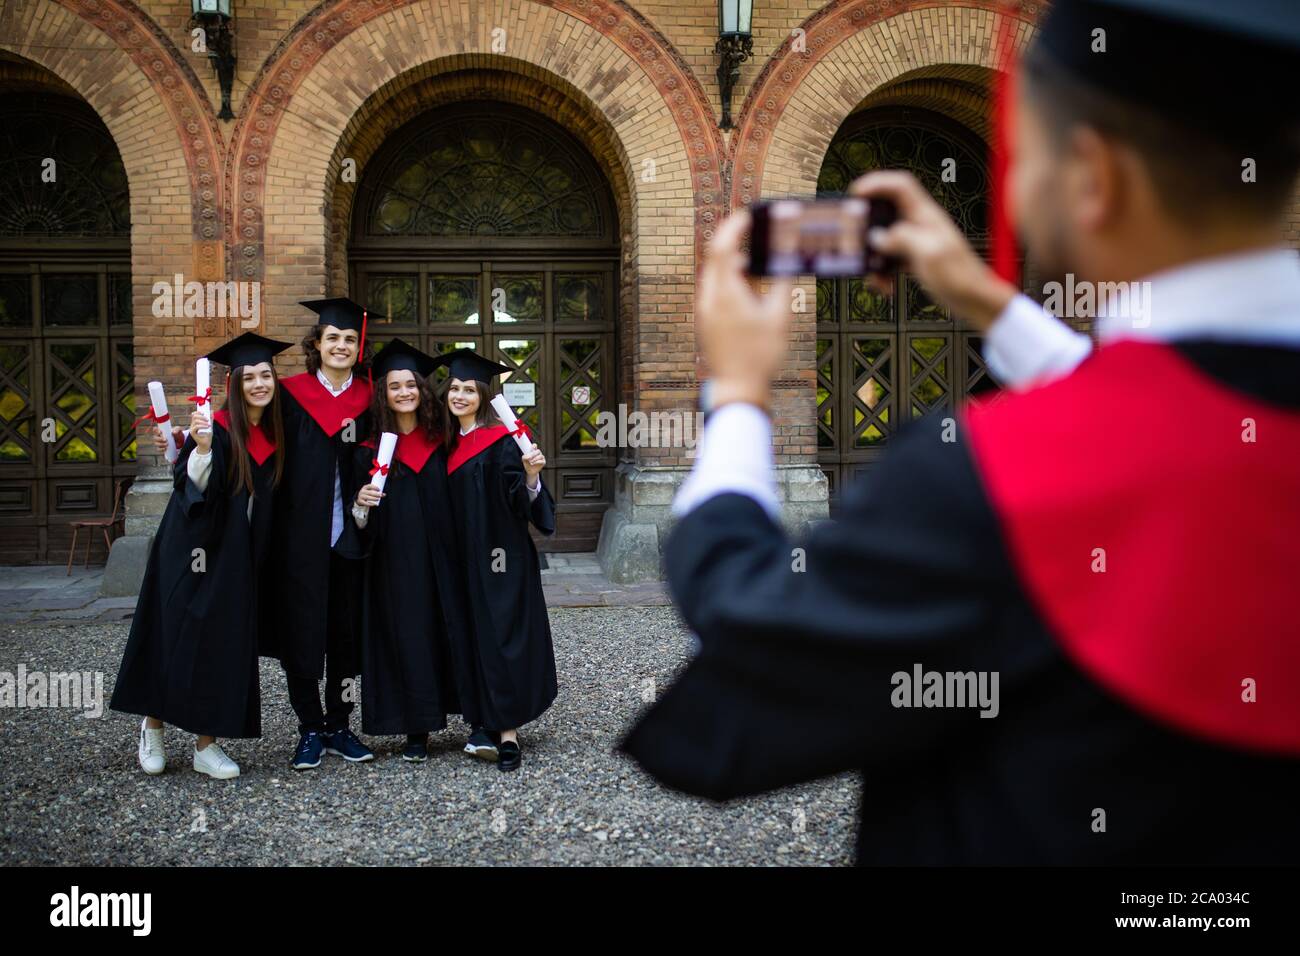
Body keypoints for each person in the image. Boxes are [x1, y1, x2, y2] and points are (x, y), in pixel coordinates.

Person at [621, 0, 1300, 864]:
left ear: (1092, 177)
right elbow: (1181, 415)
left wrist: (741, 394)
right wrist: (983, 298)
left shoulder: (994, 479)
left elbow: (748, 641)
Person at [153, 297, 378, 770]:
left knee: (345, 637)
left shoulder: (369, 399)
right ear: (317, 345)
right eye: (332, 338)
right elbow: (241, 427)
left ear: (359, 347)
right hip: (296, 541)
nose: (341, 346)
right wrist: (181, 442)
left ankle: (340, 724)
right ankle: (310, 727)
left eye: (349, 339)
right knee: (301, 636)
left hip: (350, 537)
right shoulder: (288, 394)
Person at [112, 332, 290, 779]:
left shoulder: (274, 433)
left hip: (236, 554)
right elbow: (192, 484)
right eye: (249, 377)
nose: (259, 384)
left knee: (222, 641)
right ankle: (152, 727)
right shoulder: (215, 426)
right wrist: (203, 448)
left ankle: (205, 744)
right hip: (190, 543)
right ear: (233, 383)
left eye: (266, 375)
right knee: (171, 627)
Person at [339, 339, 469, 762]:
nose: (404, 393)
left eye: (411, 385)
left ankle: (476, 717)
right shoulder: (367, 452)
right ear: (384, 393)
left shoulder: (445, 439)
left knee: (449, 630)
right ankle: (417, 726)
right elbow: (357, 521)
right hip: (394, 563)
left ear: (422, 390)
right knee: (407, 636)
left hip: (445, 560)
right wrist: (361, 504)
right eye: (394, 386)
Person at [437, 349, 556, 772]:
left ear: (485, 397)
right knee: (468, 634)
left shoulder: (503, 442)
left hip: (500, 560)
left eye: (469, 389)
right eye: (454, 389)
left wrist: (530, 475)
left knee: (501, 635)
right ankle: (480, 723)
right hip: (456, 561)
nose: (460, 395)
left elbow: (523, 503)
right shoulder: (443, 445)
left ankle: (508, 732)